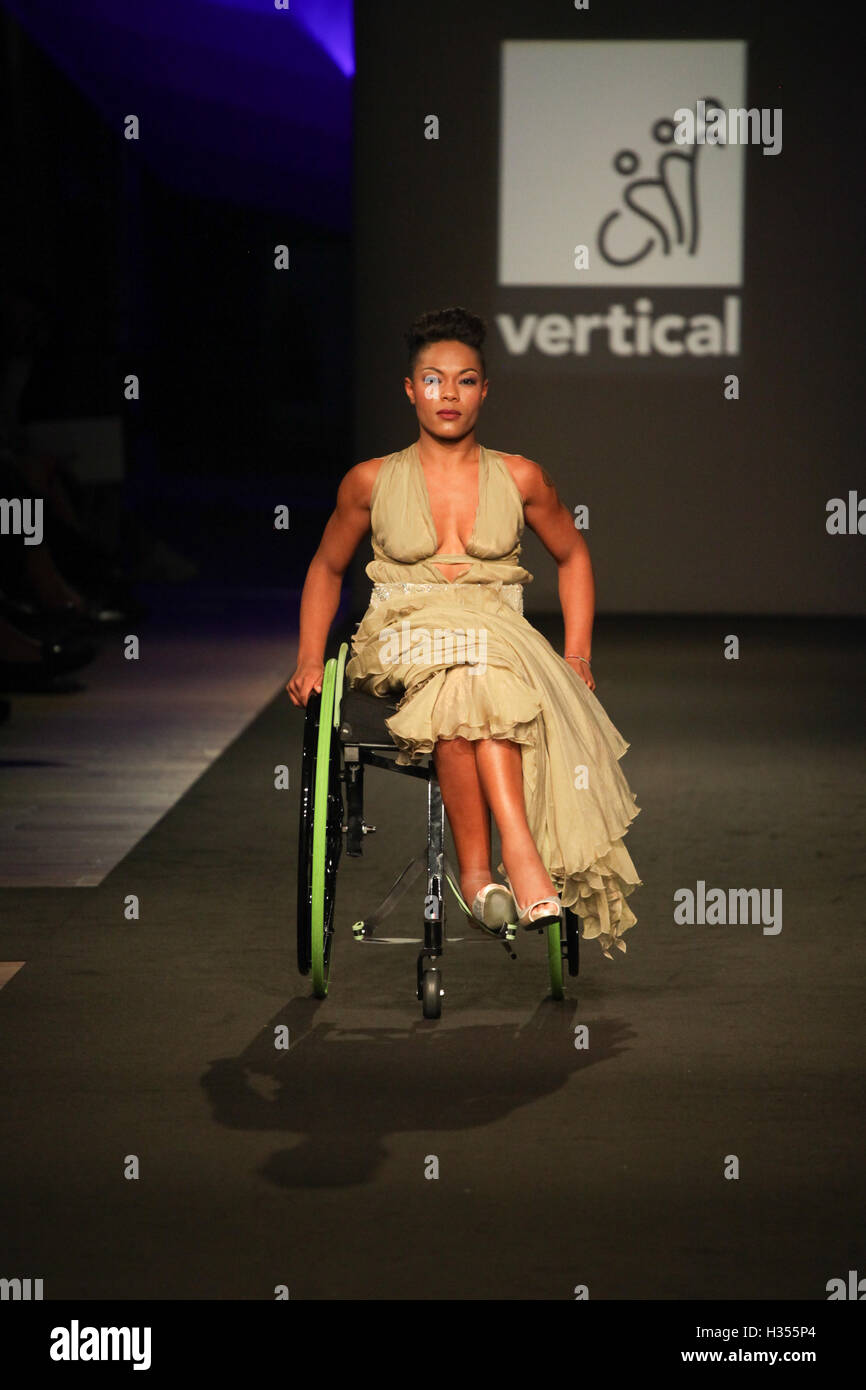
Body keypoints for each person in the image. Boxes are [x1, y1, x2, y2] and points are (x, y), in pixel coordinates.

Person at [287, 307, 641, 958]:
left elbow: (574, 556)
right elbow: (326, 566)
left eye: (465, 380)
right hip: (399, 635)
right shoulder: (369, 481)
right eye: (433, 380)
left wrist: (579, 651)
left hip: (496, 639)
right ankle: (519, 859)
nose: (448, 395)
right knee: (470, 667)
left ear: (485, 390)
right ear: (409, 388)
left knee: (468, 676)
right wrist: (311, 658)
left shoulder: (522, 476)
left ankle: (478, 880)